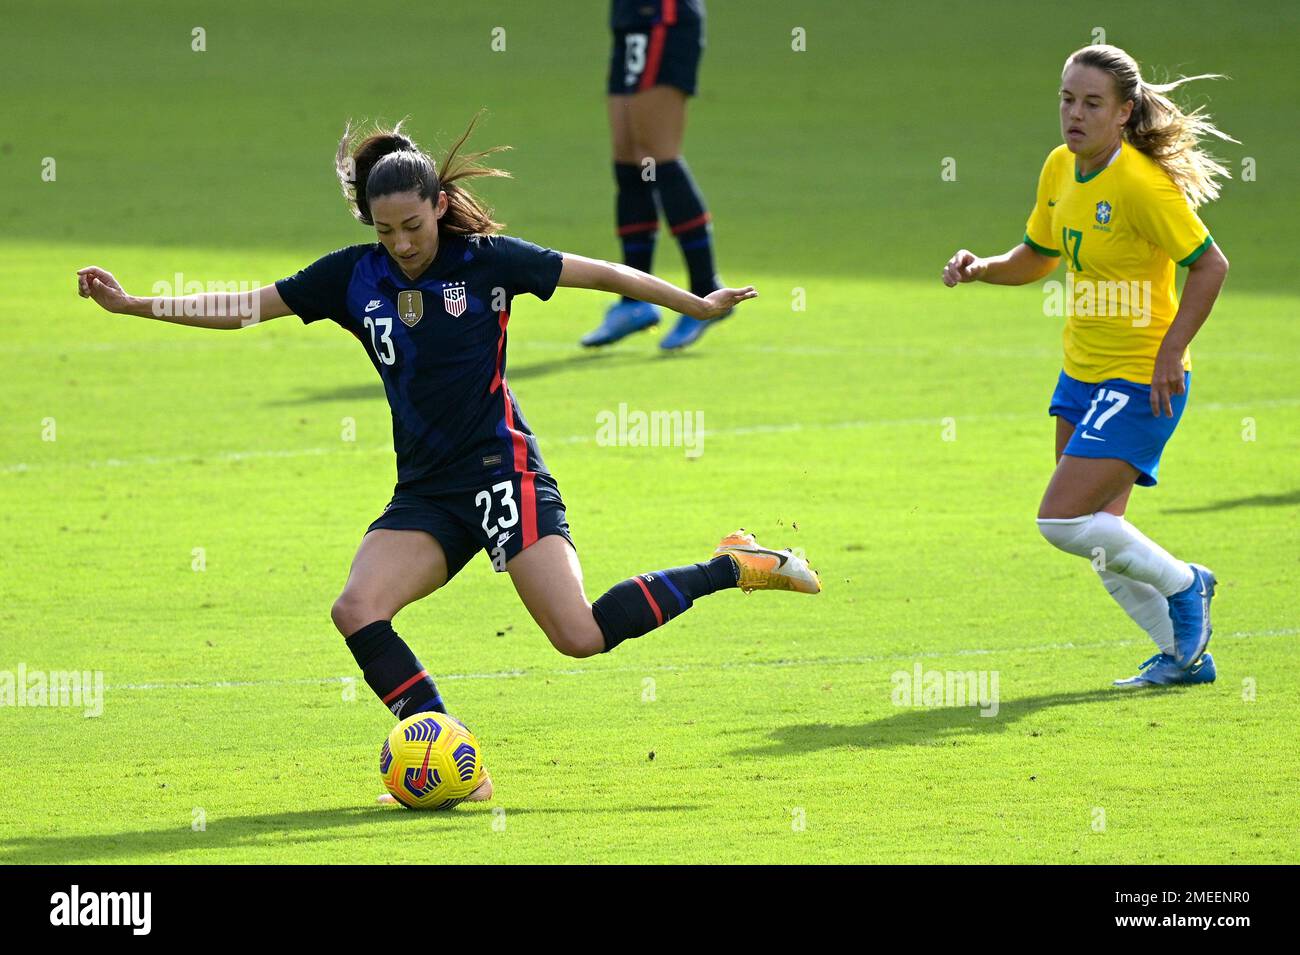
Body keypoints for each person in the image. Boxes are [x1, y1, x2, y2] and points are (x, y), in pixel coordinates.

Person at [77, 115, 821, 801]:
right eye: (385, 229)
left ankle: (735, 563)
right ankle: (454, 759)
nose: (401, 243)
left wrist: (696, 304)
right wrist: (137, 304)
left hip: (505, 476)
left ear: (437, 204)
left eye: (411, 224)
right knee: (357, 608)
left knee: (580, 635)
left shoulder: (489, 262)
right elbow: (245, 306)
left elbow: (603, 273)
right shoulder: (351, 277)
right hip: (428, 494)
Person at [941, 44, 1233, 687]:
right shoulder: (1060, 167)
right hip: (1081, 374)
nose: (1074, 114)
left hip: (1140, 379)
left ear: (1124, 112)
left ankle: (1188, 585)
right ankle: (1185, 658)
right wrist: (982, 267)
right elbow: (1039, 254)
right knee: (1100, 536)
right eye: (1067, 100)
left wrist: (1170, 351)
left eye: (1091, 103)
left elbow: (1210, 265)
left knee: (1062, 521)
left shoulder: (1140, 184)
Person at [581, 0, 729, 351]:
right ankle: (635, 300)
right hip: (629, 16)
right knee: (629, 160)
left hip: (664, 17)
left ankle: (704, 288)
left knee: (657, 155)